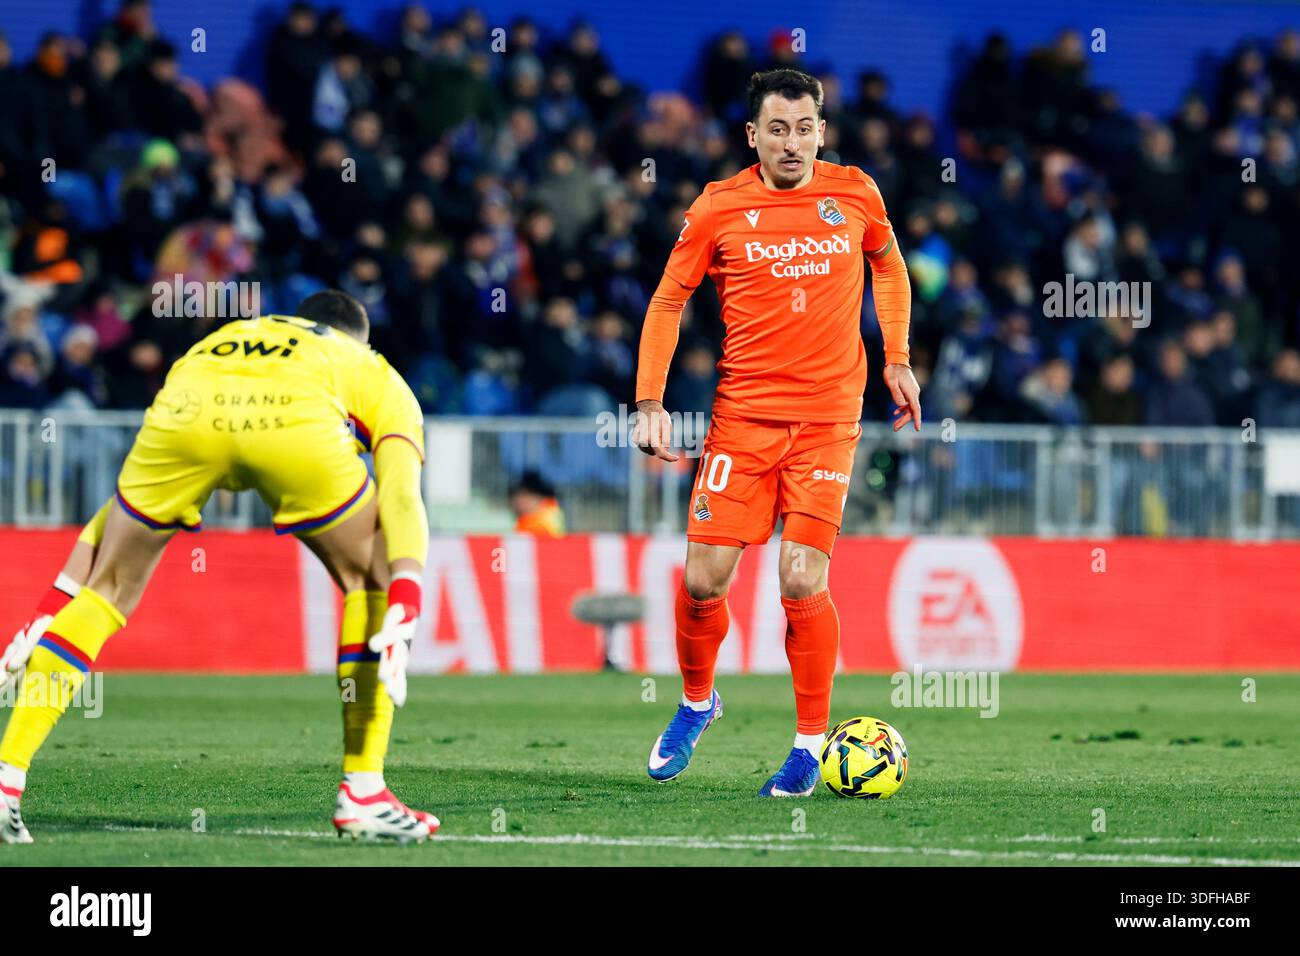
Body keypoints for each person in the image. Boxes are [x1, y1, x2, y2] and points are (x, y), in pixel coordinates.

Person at [0, 291, 438, 844]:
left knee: (108, 589)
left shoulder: (219, 342)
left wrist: (53, 603)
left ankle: (5, 780)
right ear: (358, 336)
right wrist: (406, 587)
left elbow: (119, 508)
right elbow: (401, 492)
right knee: (367, 579)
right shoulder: (365, 366)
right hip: (294, 429)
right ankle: (363, 790)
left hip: (187, 411)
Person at [631, 69, 919, 797]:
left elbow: (889, 266)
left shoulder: (855, 193)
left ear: (822, 131)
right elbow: (669, 300)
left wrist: (898, 359)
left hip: (827, 422)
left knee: (801, 578)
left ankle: (808, 745)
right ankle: (699, 702)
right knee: (703, 582)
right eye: (778, 129)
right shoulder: (718, 208)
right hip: (742, 421)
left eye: (805, 128)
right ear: (752, 135)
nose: (793, 143)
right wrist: (648, 400)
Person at [509, 469, 565, 537]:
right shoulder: (524, 520)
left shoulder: (545, 521)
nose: (519, 500)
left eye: (526, 495)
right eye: (518, 495)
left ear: (541, 498)